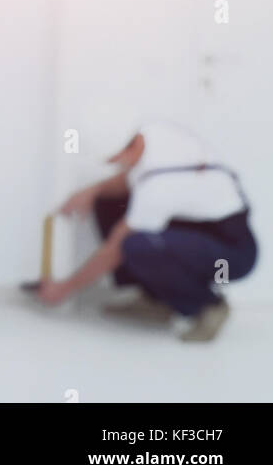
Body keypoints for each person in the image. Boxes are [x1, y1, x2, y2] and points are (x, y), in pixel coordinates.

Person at [38, 119, 258, 341]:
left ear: (133, 146)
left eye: (116, 158)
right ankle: (155, 299)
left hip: (232, 254)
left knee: (136, 245)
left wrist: (64, 289)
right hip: (200, 231)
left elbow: (113, 251)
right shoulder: (153, 136)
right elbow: (129, 181)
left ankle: (210, 306)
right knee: (108, 202)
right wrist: (90, 192)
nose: (115, 164)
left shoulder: (158, 188)